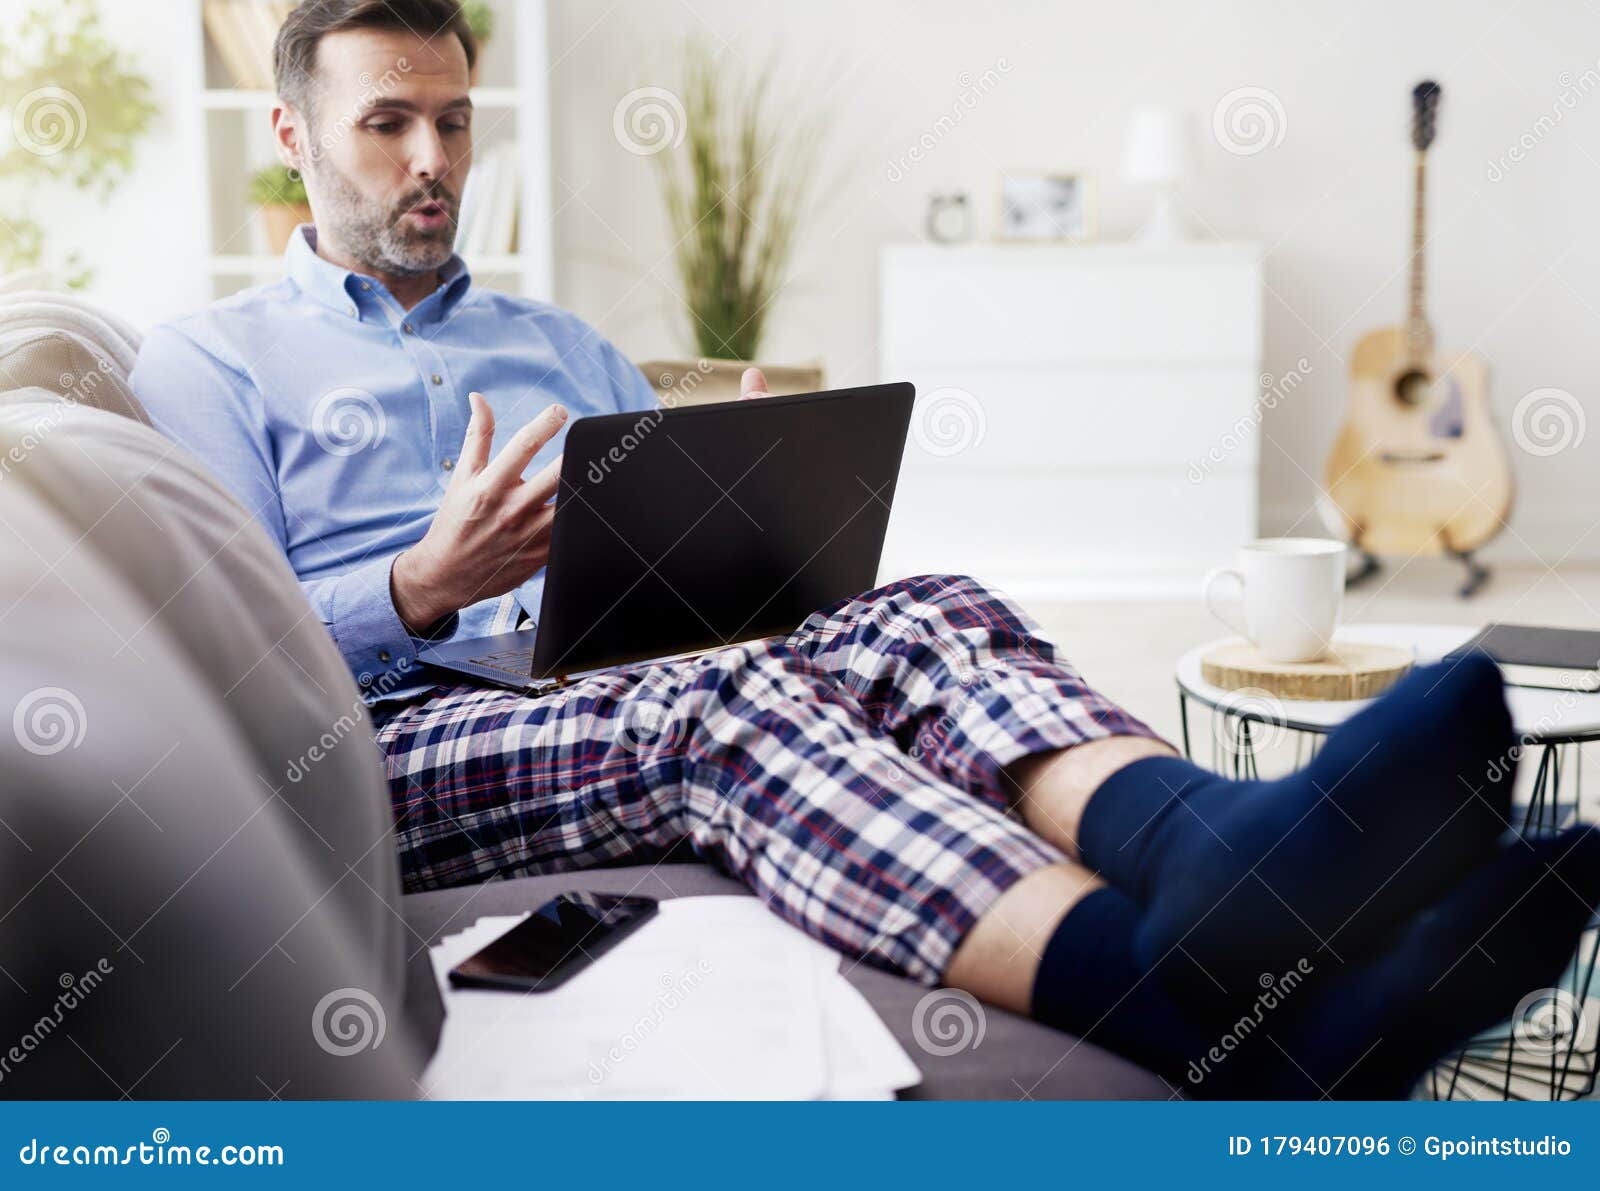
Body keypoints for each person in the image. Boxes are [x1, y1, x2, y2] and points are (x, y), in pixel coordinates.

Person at [130, 0, 1600, 1099]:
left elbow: (672, 586)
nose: (432, 157)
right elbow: (216, 663)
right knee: (725, 718)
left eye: (453, 119)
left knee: (928, 608)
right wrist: (416, 586)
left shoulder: (561, 342)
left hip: (592, 675)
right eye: (387, 121)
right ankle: (1203, 1013)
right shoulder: (209, 361)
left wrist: (747, 532)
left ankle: (1213, 851)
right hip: (390, 738)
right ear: (293, 134)